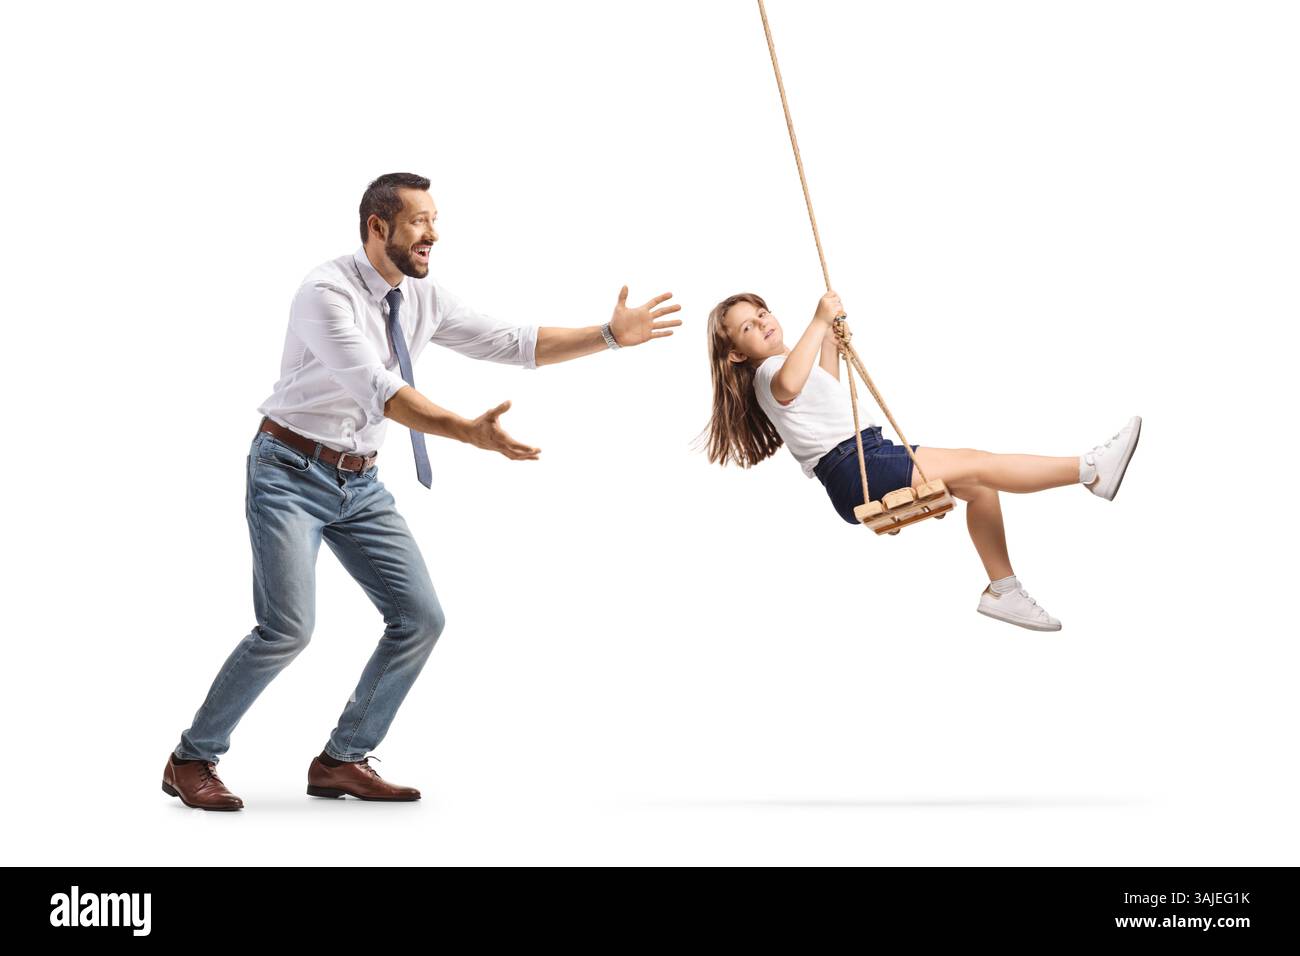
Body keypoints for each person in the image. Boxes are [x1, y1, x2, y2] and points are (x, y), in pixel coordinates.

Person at [162, 172, 682, 810]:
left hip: (358, 481)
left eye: (434, 220)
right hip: (288, 472)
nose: (432, 233)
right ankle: (192, 758)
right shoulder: (324, 292)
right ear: (378, 227)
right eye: (418, 221)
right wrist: (466, 431)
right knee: (287, 628)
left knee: (420, 619)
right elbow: (380, 389)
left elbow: (510, 341)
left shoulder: (420, 296)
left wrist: (606, 335)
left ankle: (342, 759)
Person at [701, 289, 1141, 633]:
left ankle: (1003, 590)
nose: (761, 323)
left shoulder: (787, 369)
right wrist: (817, 321)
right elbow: (789, 382)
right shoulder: (766, 375)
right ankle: (1091, 469)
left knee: (979, 485)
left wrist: (830, 341)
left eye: (762, 313)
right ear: (738, 354)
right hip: (856, 466)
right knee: (980, 463)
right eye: (746, 327)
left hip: (866, 457)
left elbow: (825, 386)